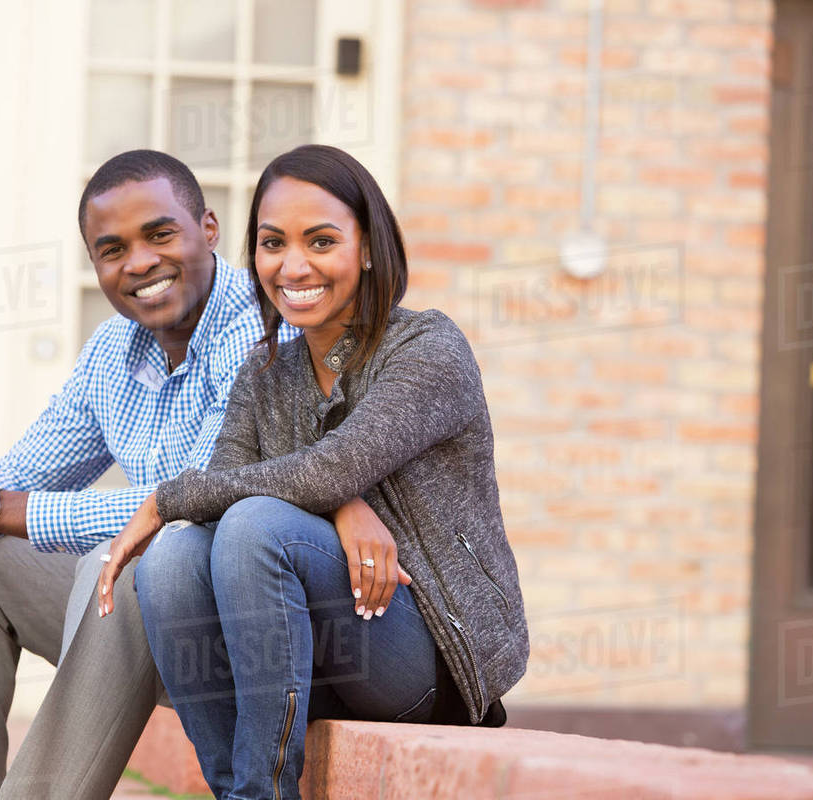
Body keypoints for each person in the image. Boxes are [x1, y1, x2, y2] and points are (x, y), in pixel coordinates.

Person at [96, 144, 528, 800]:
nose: (293, 265)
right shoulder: (266, 374)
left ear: (369, 248)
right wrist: (336, 506)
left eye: (320, 241)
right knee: (174, 559)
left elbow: (328, 469)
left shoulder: (429, 350)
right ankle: (236, 791)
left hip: (427, 662)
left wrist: (167, 498)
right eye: (273, 243)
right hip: (301, 659)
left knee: (254, 526)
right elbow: (239, 504)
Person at [0, 150, 292, 800]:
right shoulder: (113, 353)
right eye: (112, 249)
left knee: (135, 557)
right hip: (143, 641)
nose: (140, 263)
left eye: (160, 234)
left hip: (243, 638)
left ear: (208, 228)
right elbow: (24, 469)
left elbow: (185, 502)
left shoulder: (260, 333)